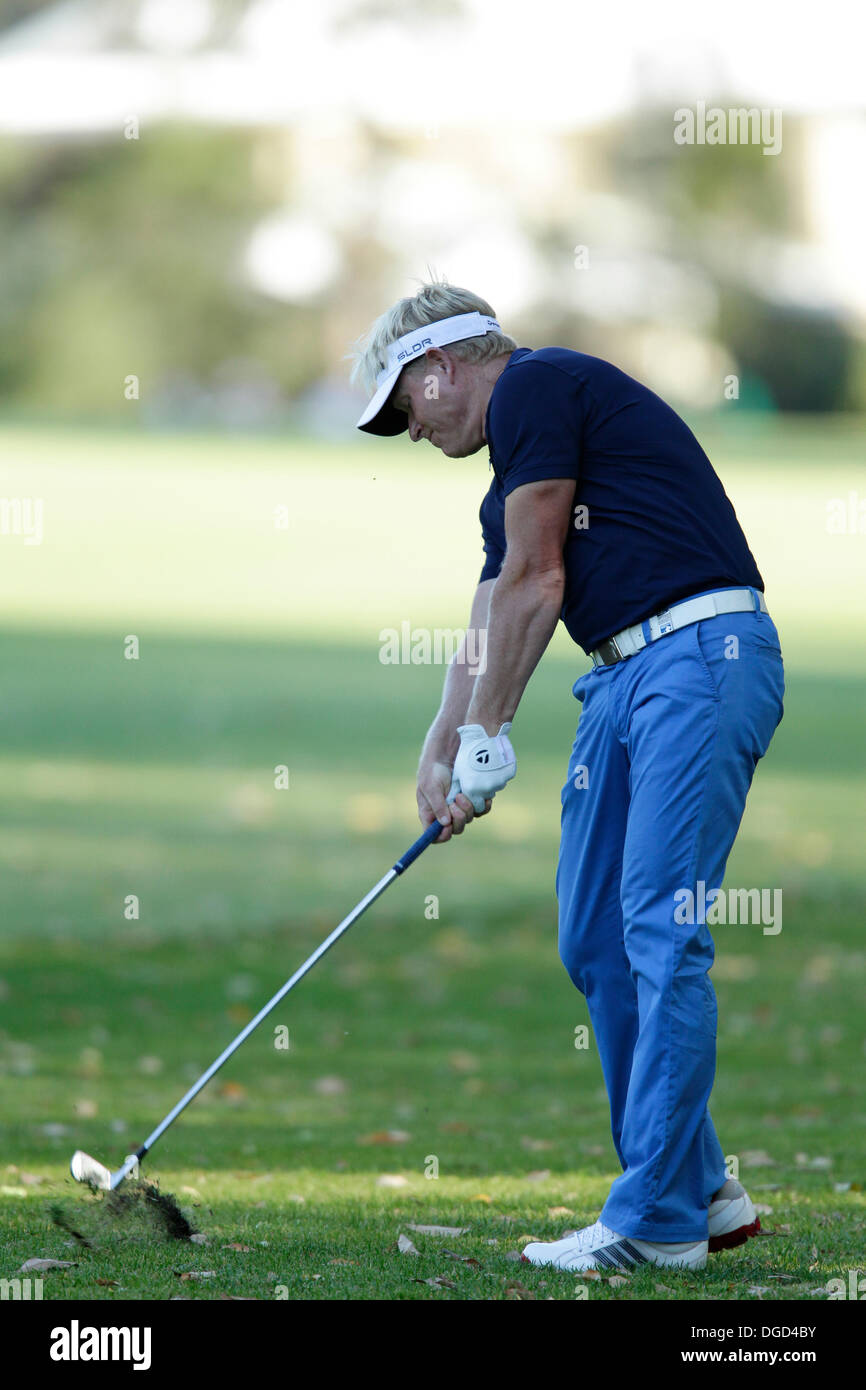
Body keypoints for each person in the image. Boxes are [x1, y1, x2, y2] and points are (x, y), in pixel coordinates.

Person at [349, 280, 785, 1272]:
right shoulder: (509, 462)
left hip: (699, 657)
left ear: (440, 366)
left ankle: (654, 1223)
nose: (406, 430)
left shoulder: (537, 386)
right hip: (623, 679)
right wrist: (441, 740)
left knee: (655, 927)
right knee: (594, 934)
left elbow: (542, 577)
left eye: (402, 407)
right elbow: (493, 606)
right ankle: (702, 1188)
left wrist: (490, 733)